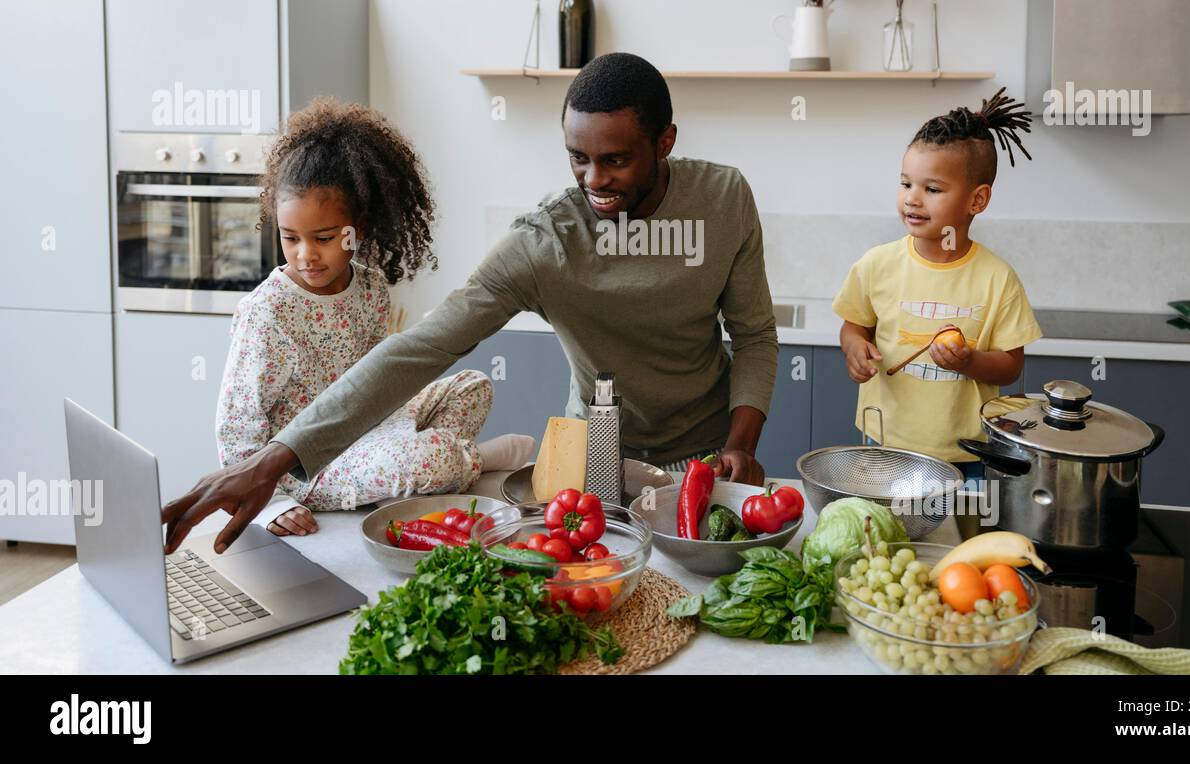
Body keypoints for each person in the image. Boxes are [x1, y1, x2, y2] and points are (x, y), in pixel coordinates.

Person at [163, 54, 779, 555]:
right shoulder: (545, 243)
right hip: (600, 458)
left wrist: (742, 443)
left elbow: (753, 336)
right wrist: (276, 460)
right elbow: (422, 349)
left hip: (709, 451)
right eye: (577, 157)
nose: (592, 179)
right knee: (609, 596)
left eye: (614, 159)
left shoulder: (723, 200)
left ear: (664, 141)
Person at [211, 98, 530, 539]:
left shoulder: (372, 287)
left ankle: (403, 476)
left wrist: (395, 429)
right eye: (290, 238)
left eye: (323, 238)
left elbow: (385, 380)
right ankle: (468, 460)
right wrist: (273, 503)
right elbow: (236, 427)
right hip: (308, 467)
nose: (306, 254)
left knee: (472, 385)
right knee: (422, 460)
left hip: (374, 429)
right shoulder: (267, 313)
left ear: (357, 227)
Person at [833, 88, 1043, 479]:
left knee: (957, 539)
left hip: (969, 453)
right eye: (905, 183)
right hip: (884, 443)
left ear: (977, 200)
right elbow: (853, 325)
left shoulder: (998, 279)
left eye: (931, 189)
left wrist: (971, 361)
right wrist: (855, 348)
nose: (912, 199)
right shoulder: (877, 264)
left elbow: (1011, 366)